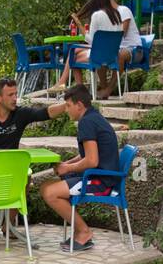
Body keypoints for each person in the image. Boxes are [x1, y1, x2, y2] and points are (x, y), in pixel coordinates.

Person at [40, 84, 121, 253]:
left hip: (101, 181)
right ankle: (79, 231)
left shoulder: (87, 122)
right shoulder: (93, 117)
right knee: (46, 186)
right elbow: (87, 155)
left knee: (49, 192)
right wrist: (67, 165)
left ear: (79, 105)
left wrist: (68, 169)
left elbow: (91, 161)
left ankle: (84, 232)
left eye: (68, 106)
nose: (66, 110)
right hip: (103, 176)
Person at [54, 0, 142, 97]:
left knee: (74, 55)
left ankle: (78, 90)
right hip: (112, 51)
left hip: (129, 49)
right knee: (76, 50)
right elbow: (113, 37)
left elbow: (106, 38)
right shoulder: (116, 15)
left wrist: (80, 26)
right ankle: (101, 88)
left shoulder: (120, 11)